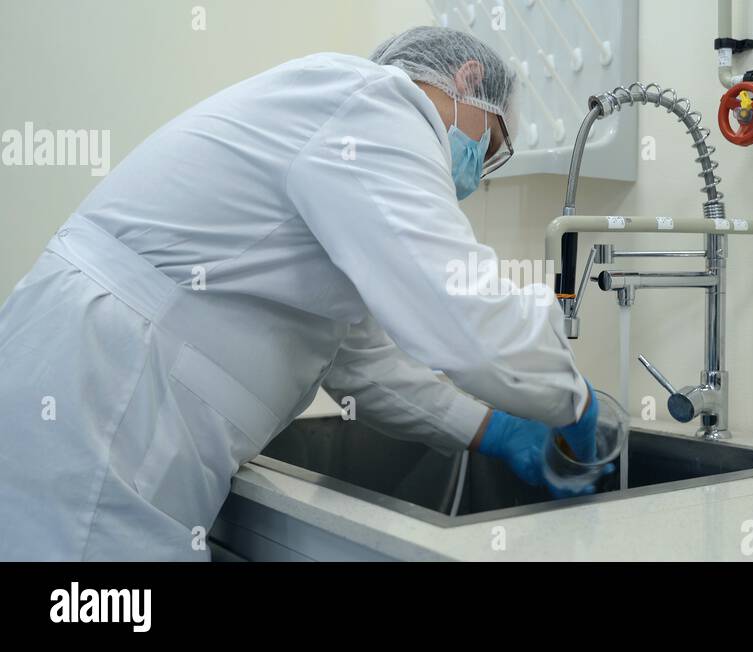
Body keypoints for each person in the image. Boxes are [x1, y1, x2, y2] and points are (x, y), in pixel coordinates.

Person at [0, 26, 608, 561]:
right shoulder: (377, 105)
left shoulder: (339, 141)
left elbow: (360, 362)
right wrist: (575, 399)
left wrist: (491, 430)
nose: (478, 172)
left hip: (111, 386)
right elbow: (466, 316)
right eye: (491, 144)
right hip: (106, 394)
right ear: (467, 79)